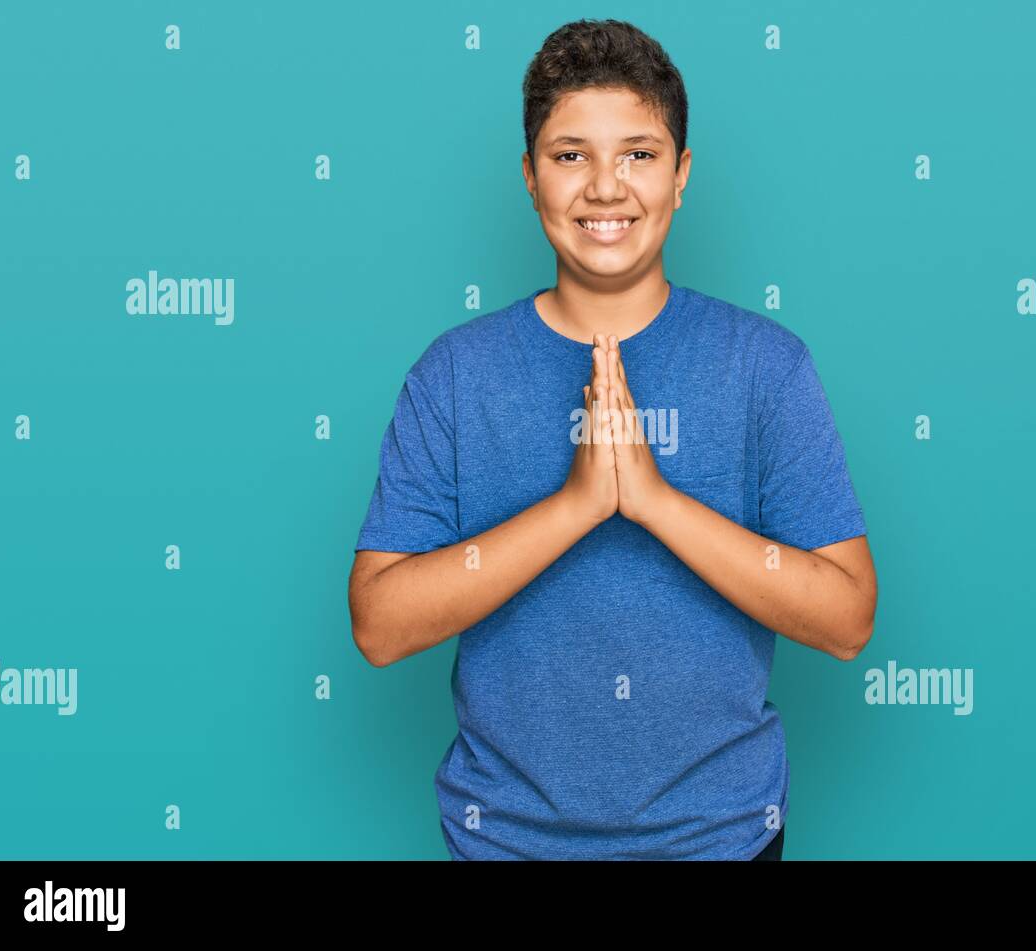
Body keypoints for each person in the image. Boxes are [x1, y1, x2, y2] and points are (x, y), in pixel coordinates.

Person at [348, 18, 877, 861]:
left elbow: (848, 618)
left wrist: (656, 503)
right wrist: (577, 504)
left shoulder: (765, 366)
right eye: (569, 155)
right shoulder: (452, 375)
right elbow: (379, 624)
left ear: (681, 176)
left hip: (723, 841)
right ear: (529, 177)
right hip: (505, 843)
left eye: (638, 153)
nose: (605, 187)